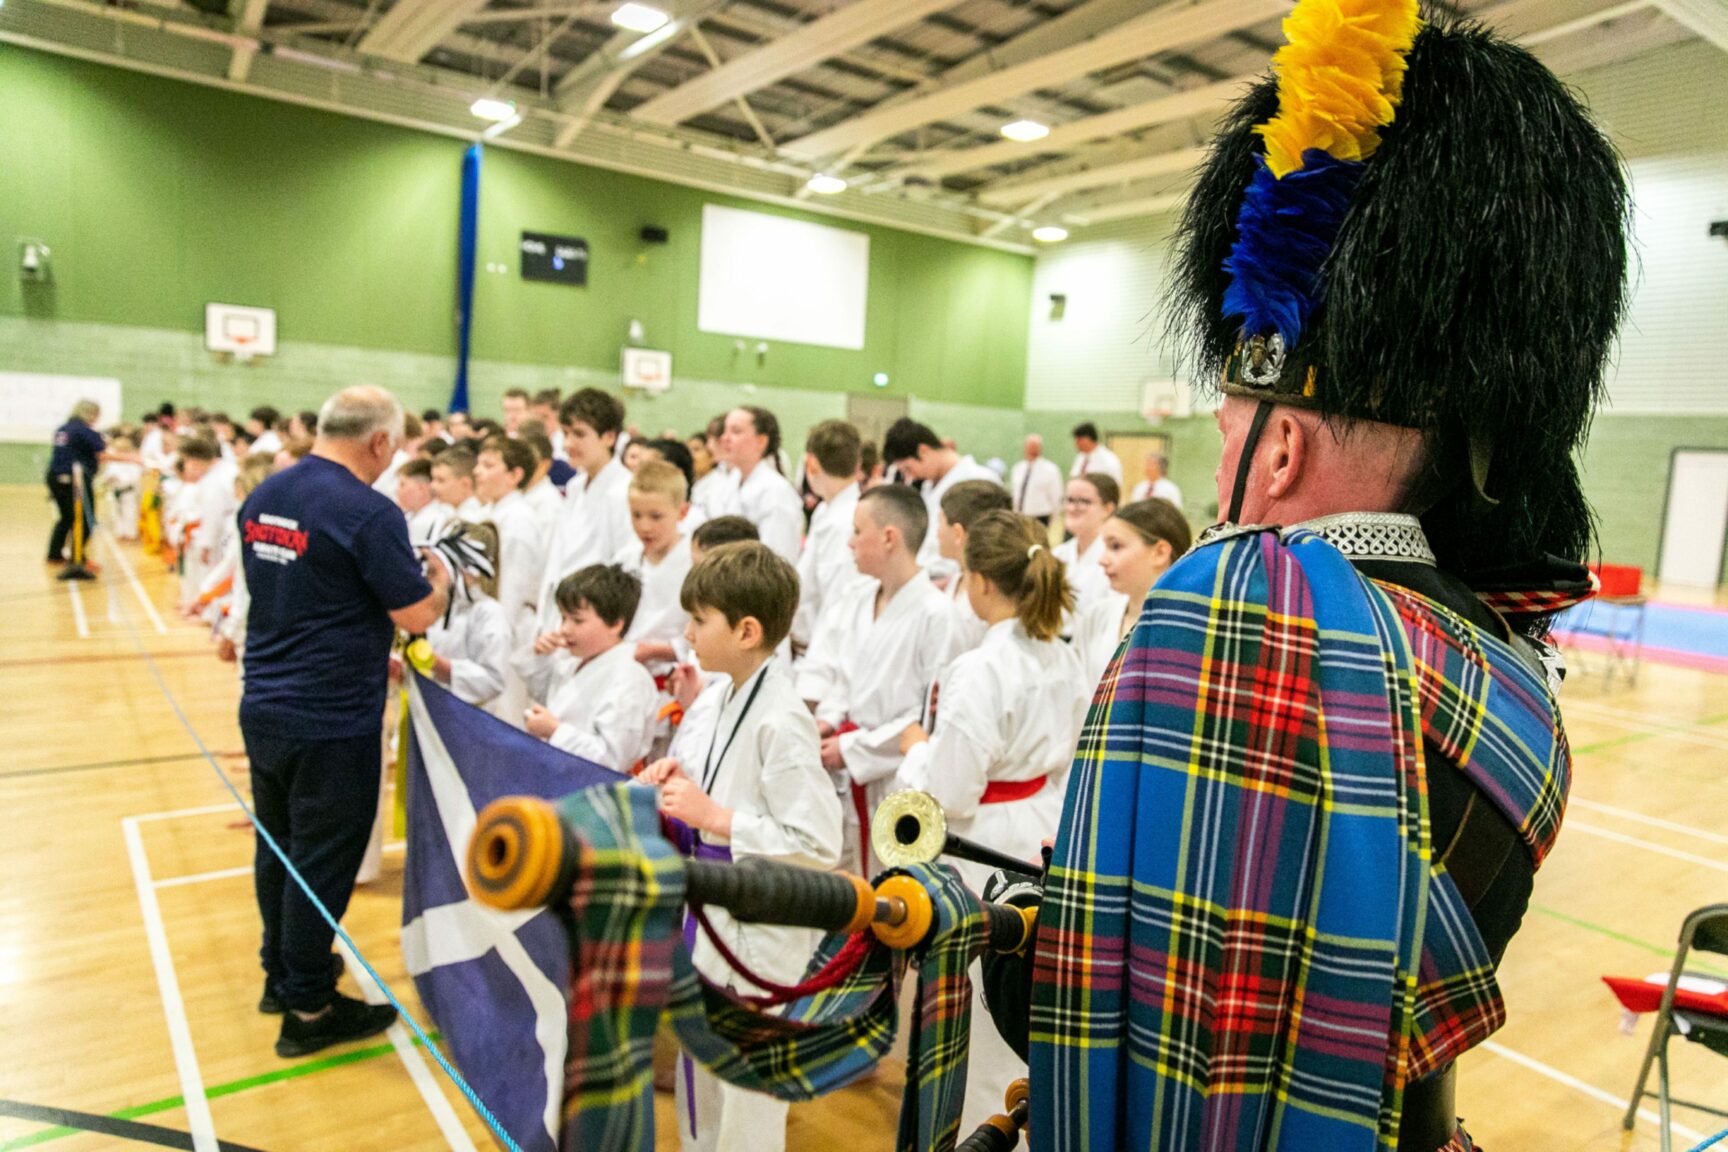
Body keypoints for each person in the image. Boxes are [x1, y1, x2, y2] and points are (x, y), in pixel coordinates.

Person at [986, 8, 1630, 1150]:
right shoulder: (1504, 660)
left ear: (1278, 448)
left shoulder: (1236, 610)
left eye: (1230, 413)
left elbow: (1115, 1020)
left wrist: (1013, 940)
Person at [238, 385, 449, 1058]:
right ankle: (306, 1008)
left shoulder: (266, 495)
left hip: (264, 703)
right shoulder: (368, 512)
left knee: (278, 848)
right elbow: (415, 614)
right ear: (381, 442)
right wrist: (439, 582)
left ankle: (283, 972)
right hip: (330, 717)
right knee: (320, 864)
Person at [638, 542, 843, 1152]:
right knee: (704, 1069)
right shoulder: (732, 690)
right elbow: (723, 781)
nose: (688, 632)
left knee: (749, 1094)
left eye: (700, 620)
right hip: (714, 910)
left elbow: (816, 842)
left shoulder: (782, 715)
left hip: (758, 922)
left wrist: (718, 818)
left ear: (747, 630)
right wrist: (679, 779)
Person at [895, 509, 1086, 1135]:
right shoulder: (1060, 654)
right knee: (1023, 998)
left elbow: (950, 792)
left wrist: (915, 752)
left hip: (981, 842)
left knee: (980, 1005)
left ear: (978, 581)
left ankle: (980, 1129)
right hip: (1041, 828)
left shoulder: (981, 667)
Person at [799, 485, 950, 875]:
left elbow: (928, 719)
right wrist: (827, 721)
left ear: (888, 538)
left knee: (890, 887)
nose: (849, 542)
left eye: (856, 531)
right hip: (848, 765)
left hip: (894, 773)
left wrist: (851, 747)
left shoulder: (936, 613)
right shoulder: (858, 597)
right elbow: (843, 678)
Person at [520, 565, 658, 773]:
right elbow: (543, 694)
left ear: (615, 624)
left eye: (577, 620)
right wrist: (542, 658)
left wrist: (555, 731)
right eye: (564, 618)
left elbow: (613, 759)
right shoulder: (572, 662)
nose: (565, 629)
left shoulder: (630, 679)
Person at [534, 389, 633, 639]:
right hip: (560, 618)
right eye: (566, 434)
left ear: (609, 437)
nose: (568, 444)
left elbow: (624, 571)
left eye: (579, 434)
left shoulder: (624, 492)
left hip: (595, 623)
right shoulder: (576, 487)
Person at [1071, 499, 1191, 687]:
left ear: (1159, 552)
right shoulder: (1096, 616)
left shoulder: (1188, 627)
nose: (1102, 560)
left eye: (1116, 546)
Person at [880, 417, 1001, 578]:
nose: (910, 477)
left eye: (908, 469)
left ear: (923, 451)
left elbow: (985, 549)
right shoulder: (929, 486)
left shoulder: (980, 481)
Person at [792, 420, 867, 654]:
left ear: (811, 464)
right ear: (858, 464)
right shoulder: (826, 510)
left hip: (820, 652)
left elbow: (837, 604)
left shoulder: (845, 522)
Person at [614, 461, 694, 677]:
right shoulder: (625, 559)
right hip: (626, 671)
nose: (644, 526)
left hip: (675, 676)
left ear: (682, 512)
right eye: (636, 515)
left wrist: (662, 651)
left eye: (655, 516)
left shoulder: (695, 561)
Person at [422, 522, 510, 715]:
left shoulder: (489, 613)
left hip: (466, 721)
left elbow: (493, 680)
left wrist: (438, 665)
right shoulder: (437, 606)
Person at [933, 480, 1013, 665]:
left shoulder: (985, 596)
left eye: (940, 522)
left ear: (958, 533)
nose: (936, 532)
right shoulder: (959, 580)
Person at [712, 407, 802, 566]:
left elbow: (777, 557)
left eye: (736, 431)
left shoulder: (775, 491)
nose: (725, 438)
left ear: (761, 441)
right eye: (725, 431)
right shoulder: (731, 481)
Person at [45, 399, 110, 565]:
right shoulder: (83, 431)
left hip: (55, 476)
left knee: (66, 517)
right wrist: (132, 458)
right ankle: (77, 558)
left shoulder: (64, 428)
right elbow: (102, 453)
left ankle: (54, 554)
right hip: (73, 480)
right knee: (86, 519)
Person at [1052, 473, 1117, 623]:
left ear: (1108, 509)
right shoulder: (1058, 554)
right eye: (1069, 500)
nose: (1073, 507)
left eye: (1084, 501)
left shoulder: (1114, 558)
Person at [1008, 434, 1064, 527]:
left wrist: (1055, 517)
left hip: (1040, 516)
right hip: (1020, 515)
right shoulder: (1018, 468)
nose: (1032, 449)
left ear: (1040, 448)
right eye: (1029, 446)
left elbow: (1056, 496)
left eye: (1035, 446)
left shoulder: (1050, 469)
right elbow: (1014, 493)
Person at [97, 433, 143, 542]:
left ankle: (130, 534)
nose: (120, 452)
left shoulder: (133, 461)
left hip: (128, 490)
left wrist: (121, 479)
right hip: (115, 490)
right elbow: (107, 475)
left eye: (122, 449)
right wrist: (109, 479)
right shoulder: (113, 462)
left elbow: (135, 476)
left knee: (130, 513)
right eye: (118, 449)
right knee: (115, 513)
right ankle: (120, 533)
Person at [516, 424, 563, 531]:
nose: (518, 464)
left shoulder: (548, 503)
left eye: (526, 459)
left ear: (544, 465)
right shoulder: (519, 493)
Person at [395, 458, 447, 545]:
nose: (397, 491)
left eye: (402, 485)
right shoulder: (410, 515)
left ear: (421, 489)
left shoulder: (432, 519)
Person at [429, 445, 483, 521]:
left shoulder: (475, 518)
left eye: (441, 480)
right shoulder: (449, 512)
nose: (433, 486)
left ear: (465, 484)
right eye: (433, 479)